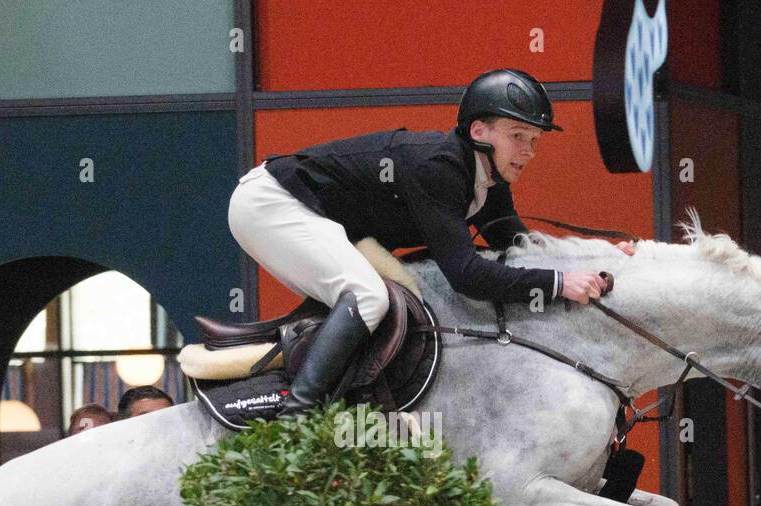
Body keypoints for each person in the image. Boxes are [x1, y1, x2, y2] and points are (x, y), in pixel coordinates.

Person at [230, 68, 634, 418]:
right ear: (479, 132)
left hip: (325, 220)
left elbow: (520, 248)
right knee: (367, 297)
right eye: (517, 136)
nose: (528, 151)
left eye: (534, 140)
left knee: (378, 300)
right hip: (272, 204)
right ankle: (296, 419)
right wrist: (560, 284)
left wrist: (596, 256)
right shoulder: (439, 167)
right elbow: (467, 276)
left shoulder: (489, 181)